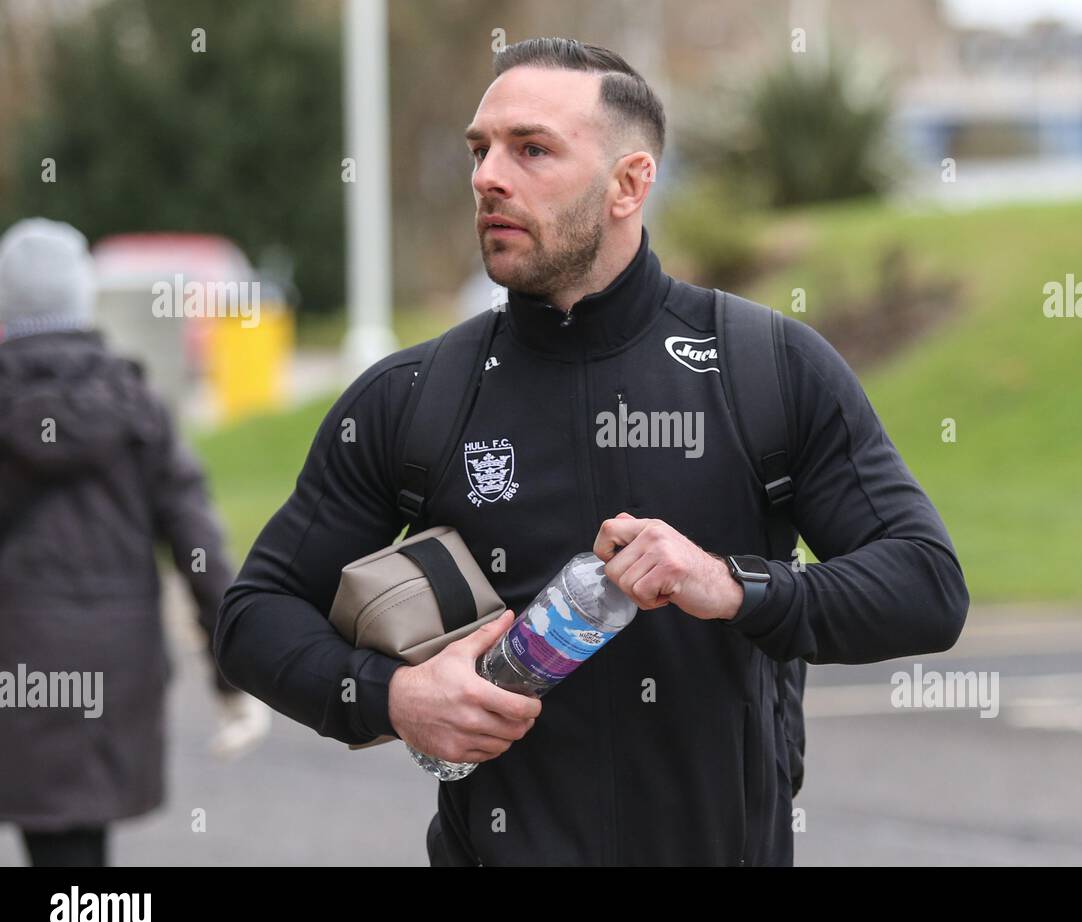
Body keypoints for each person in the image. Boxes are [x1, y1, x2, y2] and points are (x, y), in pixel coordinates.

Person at [215, 37, 969, 866]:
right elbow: (256, 615)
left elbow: (926, 585)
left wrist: (734, 586)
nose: (487, 177)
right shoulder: (416, 394)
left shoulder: (768, 367)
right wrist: (391, 697)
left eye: (531, 149)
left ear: (630, 183)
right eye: (480, 150)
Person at [0, 218, 255, 866]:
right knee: (78, 854)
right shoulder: (136, 405)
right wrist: (230, 678)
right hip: (114, 667)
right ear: (81, 295)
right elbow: (197, 543)